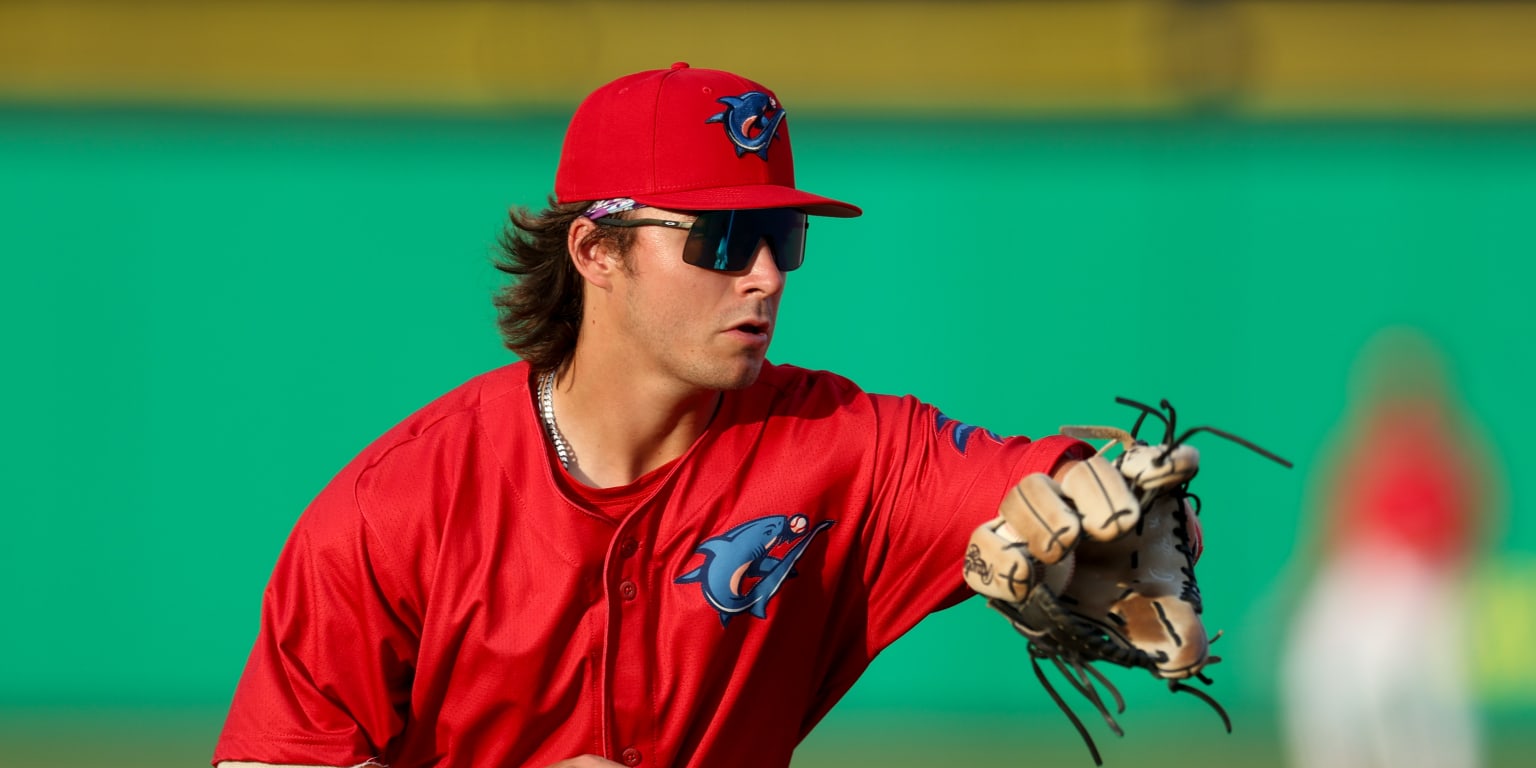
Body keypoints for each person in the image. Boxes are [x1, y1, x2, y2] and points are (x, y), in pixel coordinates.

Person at [212, 63, 1097, 768]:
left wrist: (1118, 505)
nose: (765, 275)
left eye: (783, 237)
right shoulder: (401, 505)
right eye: (720, 238)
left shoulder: (841, 443)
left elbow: (1058, 485)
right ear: (596, 249)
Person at [1279, 327, 1497, 768]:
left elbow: (1473, 524)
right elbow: (1334, 523)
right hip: (1362, 577)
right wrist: (1299, 588)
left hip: (1421, 584)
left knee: (1407, 692)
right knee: (1315, 673)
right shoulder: (1364, 453)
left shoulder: (1451, 455)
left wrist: (1450, 583)